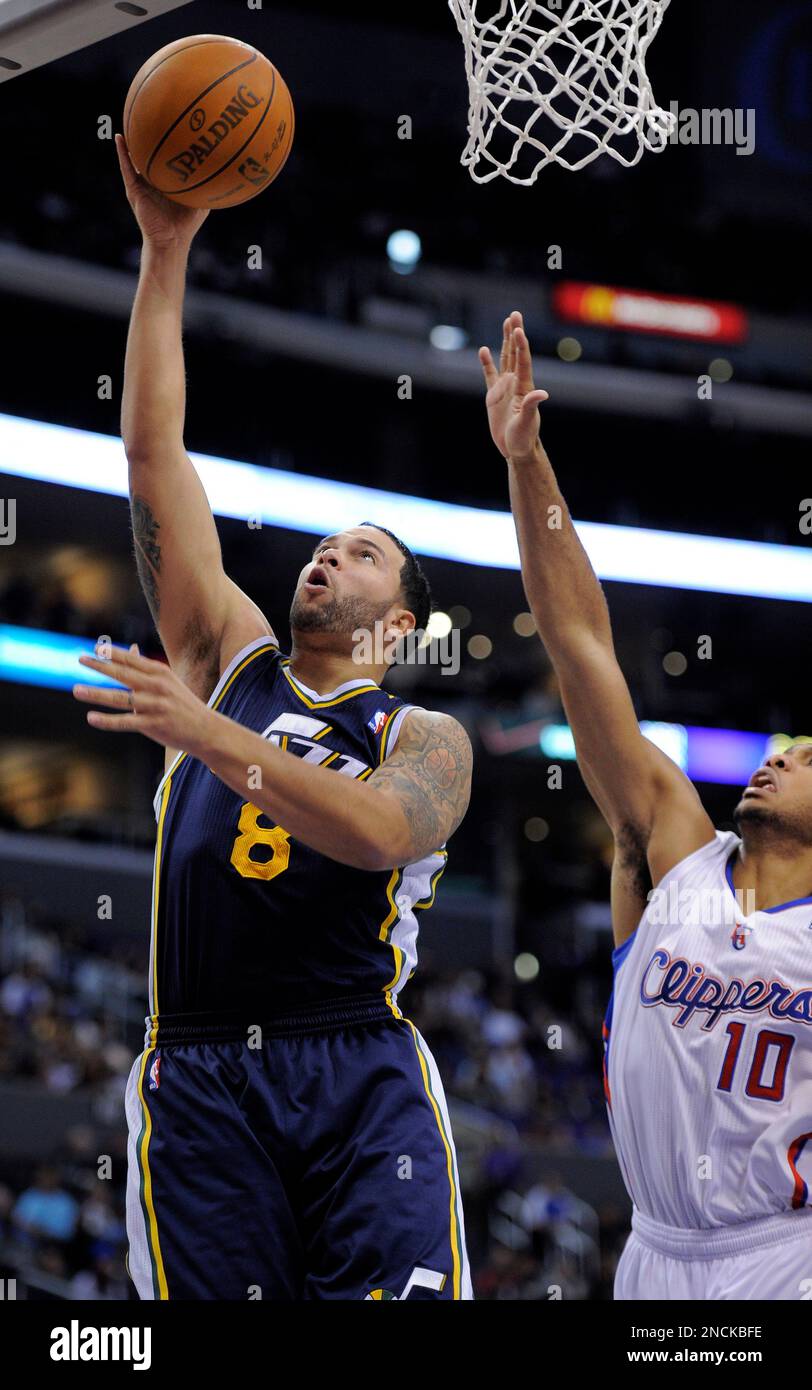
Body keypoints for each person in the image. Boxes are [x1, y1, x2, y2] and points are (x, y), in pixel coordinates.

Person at [70, 135, 474, 1301]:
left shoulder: (419, 738)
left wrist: (205, 736)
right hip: (197, 1066)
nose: (323, 559)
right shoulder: (230, 657)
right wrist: (164, 250)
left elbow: (375, 836)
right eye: (320, 546)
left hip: (357, 1064)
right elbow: (155, 459)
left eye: (358, 557)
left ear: (396, 626)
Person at [480, 309, 812, 1301]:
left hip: (784, 1252)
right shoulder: (673, 848)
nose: (773, 760)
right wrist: (524, 463)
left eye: (801, 757)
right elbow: (579, 639)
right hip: (653, 1251)